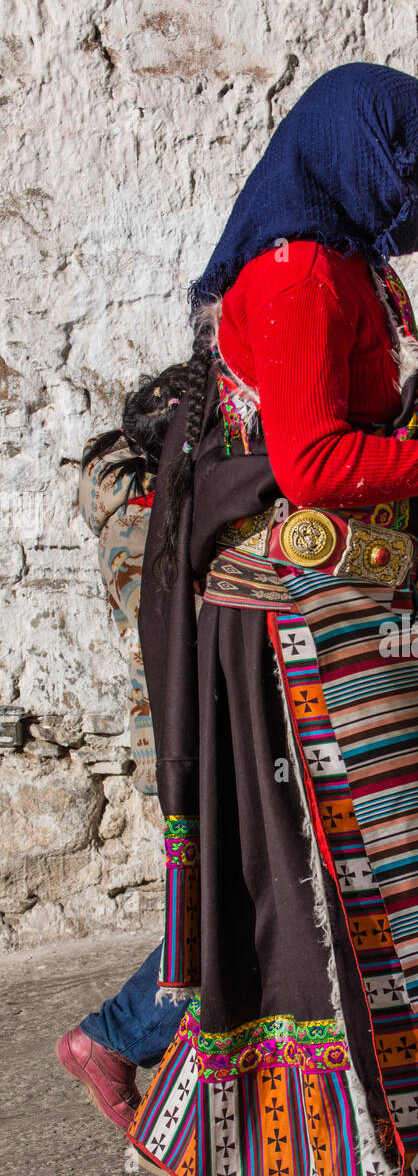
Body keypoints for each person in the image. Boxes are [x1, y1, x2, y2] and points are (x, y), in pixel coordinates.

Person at [125, 63, 418, 1176]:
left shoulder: (349, 263)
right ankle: (410, 1151)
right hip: (300, 630)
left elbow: (344, 433)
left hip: (347, 610)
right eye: (405, 151)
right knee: (385, 884)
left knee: (362, 881)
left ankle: (307, 1148)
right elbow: (312, 465)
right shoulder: (299, 270)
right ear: (351, 150)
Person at [57, 366, 193, 1128]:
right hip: (185, 739)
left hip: (189, 735)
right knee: (227, 906)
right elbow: (180, 628)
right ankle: (110, 1038)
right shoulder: (144, 515)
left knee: (228, 902)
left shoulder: (149, 502)